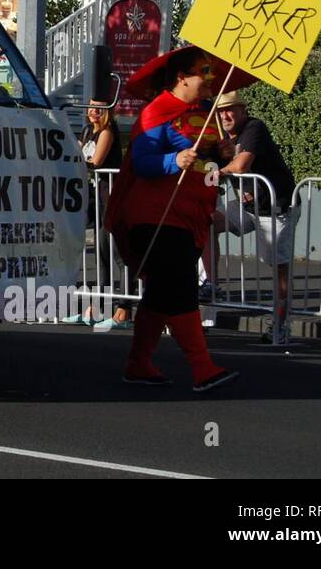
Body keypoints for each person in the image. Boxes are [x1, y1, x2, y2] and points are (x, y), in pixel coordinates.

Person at [104, 46, 239, 392]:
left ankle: (138, 363)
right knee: (179, 290)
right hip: (157, 216)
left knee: (161, 294)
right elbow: (143, 162)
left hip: (191, 215)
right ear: (182, 78)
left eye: (211, 72)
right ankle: (202, 367)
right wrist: (173, 160)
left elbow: (206, 162)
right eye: (203, 72)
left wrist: (219, 154)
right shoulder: (156, 112)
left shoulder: (205, 112)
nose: (211, 79)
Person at [214, 91, 297, 344]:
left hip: (276, 206)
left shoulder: (254, 127)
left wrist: (220, 170)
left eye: (230, 110)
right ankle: (210, 283)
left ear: (243, 111)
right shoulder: (224, 139)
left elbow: (240, 167)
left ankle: (281, 324)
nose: (225, 115)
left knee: (277, 266)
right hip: (247, 207)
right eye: (221, 111)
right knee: (205, 221)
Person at [69, 100, 125, 325]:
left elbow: (95, 161)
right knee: (101, 252)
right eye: (90, 106)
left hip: (109, 196)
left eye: (98, 107)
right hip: (94, 197)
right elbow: (79, 154)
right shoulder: (87, 130)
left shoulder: (107, 132)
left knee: (116, 252)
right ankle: (98, 307)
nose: (92, 111)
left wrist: (77, 160)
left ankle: (125, 306)